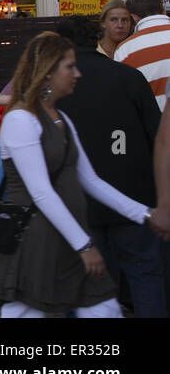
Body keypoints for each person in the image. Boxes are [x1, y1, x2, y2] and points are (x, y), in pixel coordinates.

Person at [0, 31, 158, 317]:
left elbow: (90, 181)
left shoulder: (62, 118)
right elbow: (41, 191)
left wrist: (146, 215)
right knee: (27, 312)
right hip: (38, 239)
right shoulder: (20, 119)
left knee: (104, 309)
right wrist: (85, 245)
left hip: (71, 234)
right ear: (48, 71)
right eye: (70, 66)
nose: (77, 73)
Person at [54, 16, 165, 317]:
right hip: (133, 192)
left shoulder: (54, 88)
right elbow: (157, 135)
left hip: (79, 201)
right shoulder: (128, 77)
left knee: (85, 281)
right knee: (145, 274)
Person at [114, 0, 170, 111]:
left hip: (155, 126)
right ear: (163, 10)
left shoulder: (125, 50)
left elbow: (123, 96)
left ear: (134, 17)